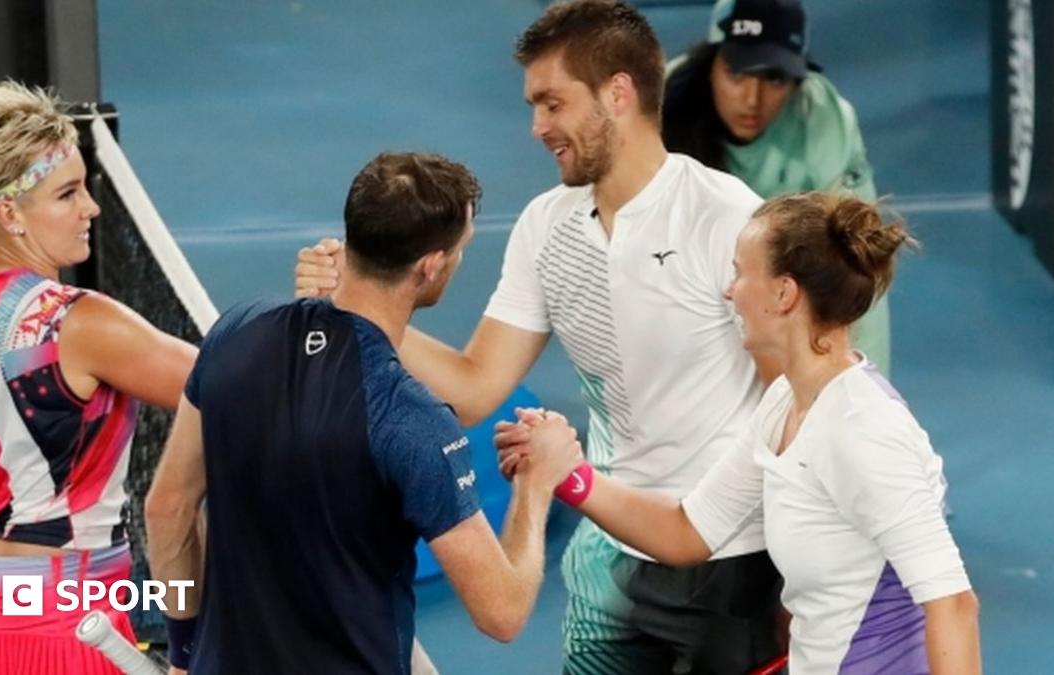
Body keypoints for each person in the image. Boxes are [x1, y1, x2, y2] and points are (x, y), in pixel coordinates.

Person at [294, 2, 786, 672]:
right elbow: (473, 389)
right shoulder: (545, 227)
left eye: (552, 104)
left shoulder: (727, 218)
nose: (536, 127)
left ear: (618, 93)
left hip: (731, 565)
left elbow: (792, 401)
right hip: (609, 561)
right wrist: (358, 300)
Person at [501, 192, 983, 674]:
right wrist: (568, 475)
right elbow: (686, 532)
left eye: (740, 272)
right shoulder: (786, 403)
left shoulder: (862, 432)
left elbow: (954, 605)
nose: (730, 291)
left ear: (784, 293)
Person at [145, 152, 578, 674]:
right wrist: (537, 483)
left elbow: (168, 508)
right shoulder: (411, 421)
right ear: (431, 265)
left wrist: (185, 649)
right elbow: (502, 613)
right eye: (461, 249)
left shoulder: (235, 333)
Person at [0, 81, 197, 674]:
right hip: (67, 624)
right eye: (68, 193)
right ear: (10, 213)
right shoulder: (80, 321)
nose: (92, 207)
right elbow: (239, 384)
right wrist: (322, 312)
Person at [662, 0, 893, 375]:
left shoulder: (824, 121)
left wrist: (855, 381)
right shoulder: (661, 108)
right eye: (737, 74)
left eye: (773, 78)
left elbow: (853, 266)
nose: (752, 99)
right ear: (711, 64)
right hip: (688, 284)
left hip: (785, 293)